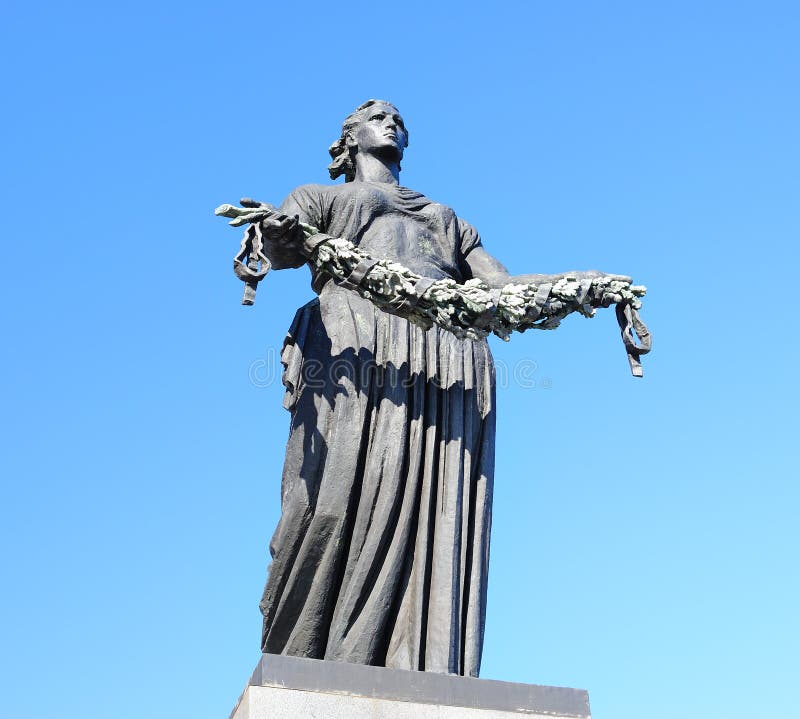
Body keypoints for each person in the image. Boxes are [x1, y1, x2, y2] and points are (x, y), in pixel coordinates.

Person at [254, 100, 601, 677]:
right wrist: (272, 232)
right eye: (377, 116)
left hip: (449, 350)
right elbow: (279, 246)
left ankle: (421, 669)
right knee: (335, 497)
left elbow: (501, 285)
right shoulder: (320, 197)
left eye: (398, 119)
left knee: (440, 510)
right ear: (350, 138)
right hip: (358, 337)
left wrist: (580, 283)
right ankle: (308, 654)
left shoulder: (445, 216)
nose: (391, 123)